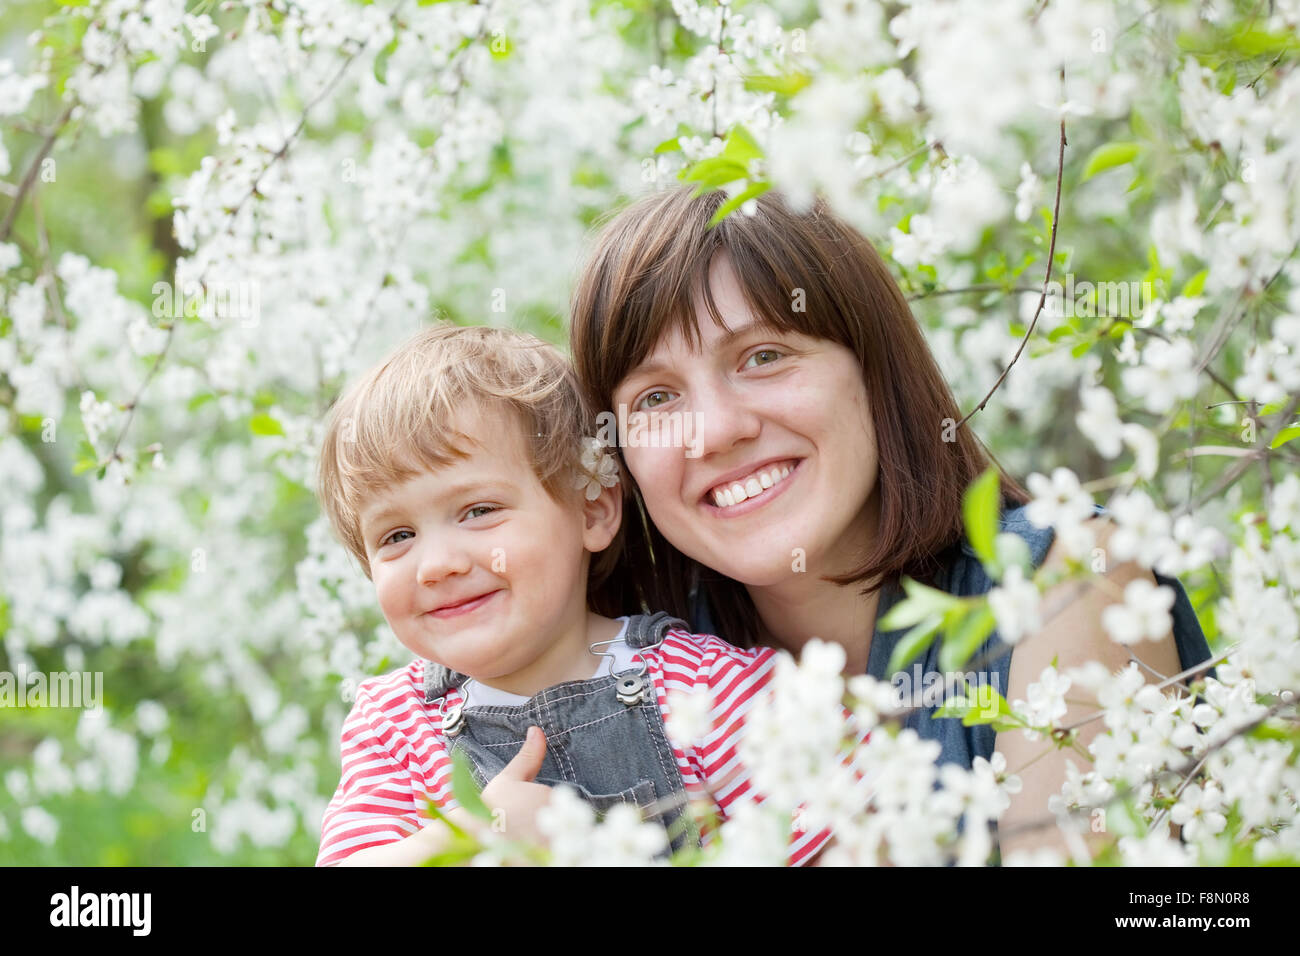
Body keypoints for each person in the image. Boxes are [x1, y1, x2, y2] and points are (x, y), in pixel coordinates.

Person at [568, 185, 1218, 862]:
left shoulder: (1075, 577)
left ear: (872, 366)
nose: (718, 432)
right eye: (657, 397)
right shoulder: (626, 672)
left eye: (764, 356)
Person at [312, 322, 838, 866]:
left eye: (479, 511)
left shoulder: (699, 684)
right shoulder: (394, 728)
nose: (437, 565)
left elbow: (837, 833)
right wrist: (467, 837)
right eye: (396, 536)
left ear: (593, 510)